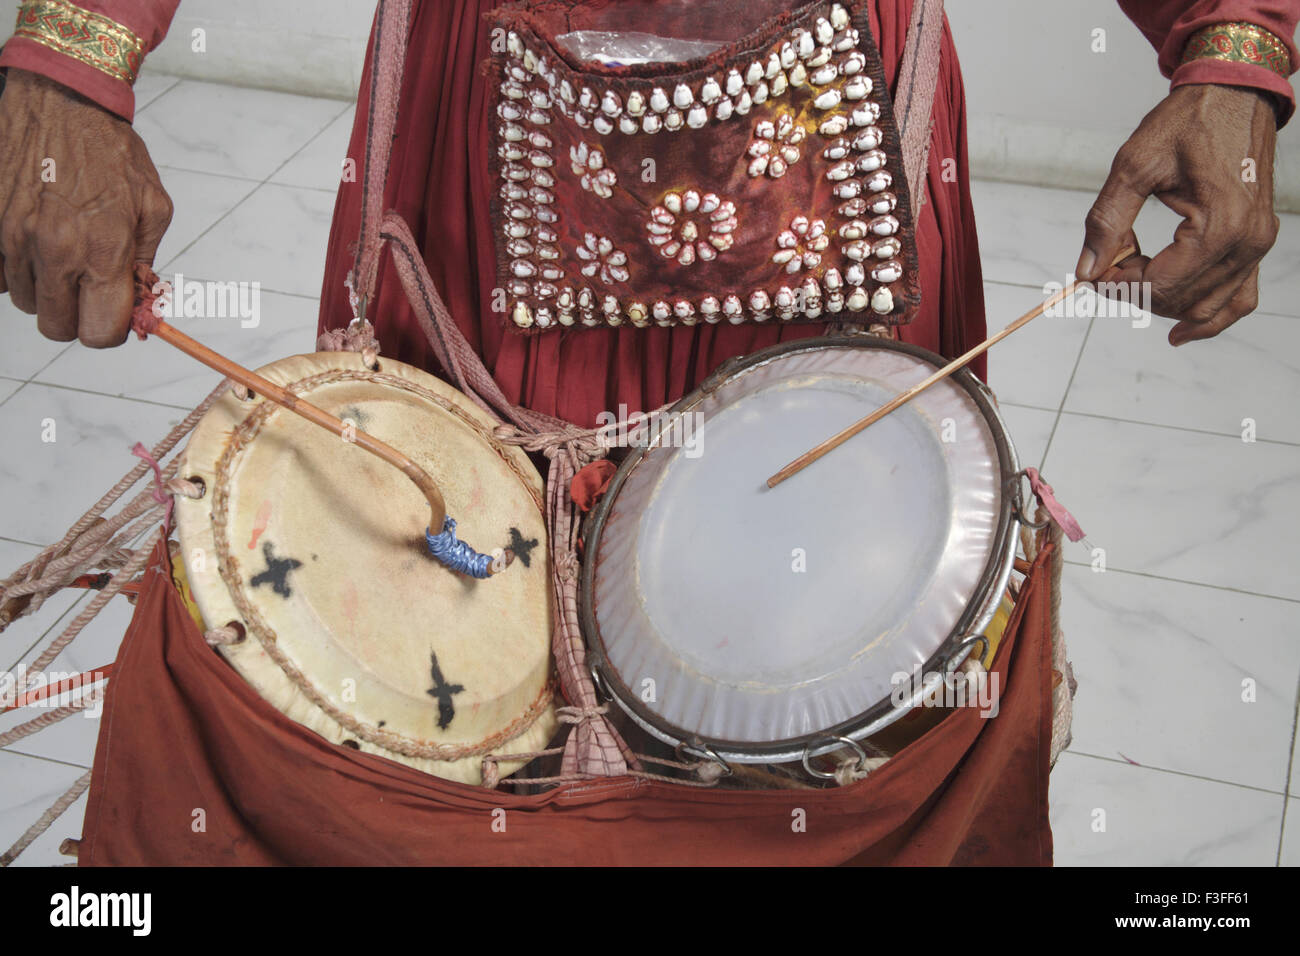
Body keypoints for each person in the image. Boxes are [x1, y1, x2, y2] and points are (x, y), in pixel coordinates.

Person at [0, 2, 1295, 426]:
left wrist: (1233, 37)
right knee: (452, 632)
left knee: (835, 662)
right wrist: (76, 44)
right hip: (487, 120)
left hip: (841, 109)